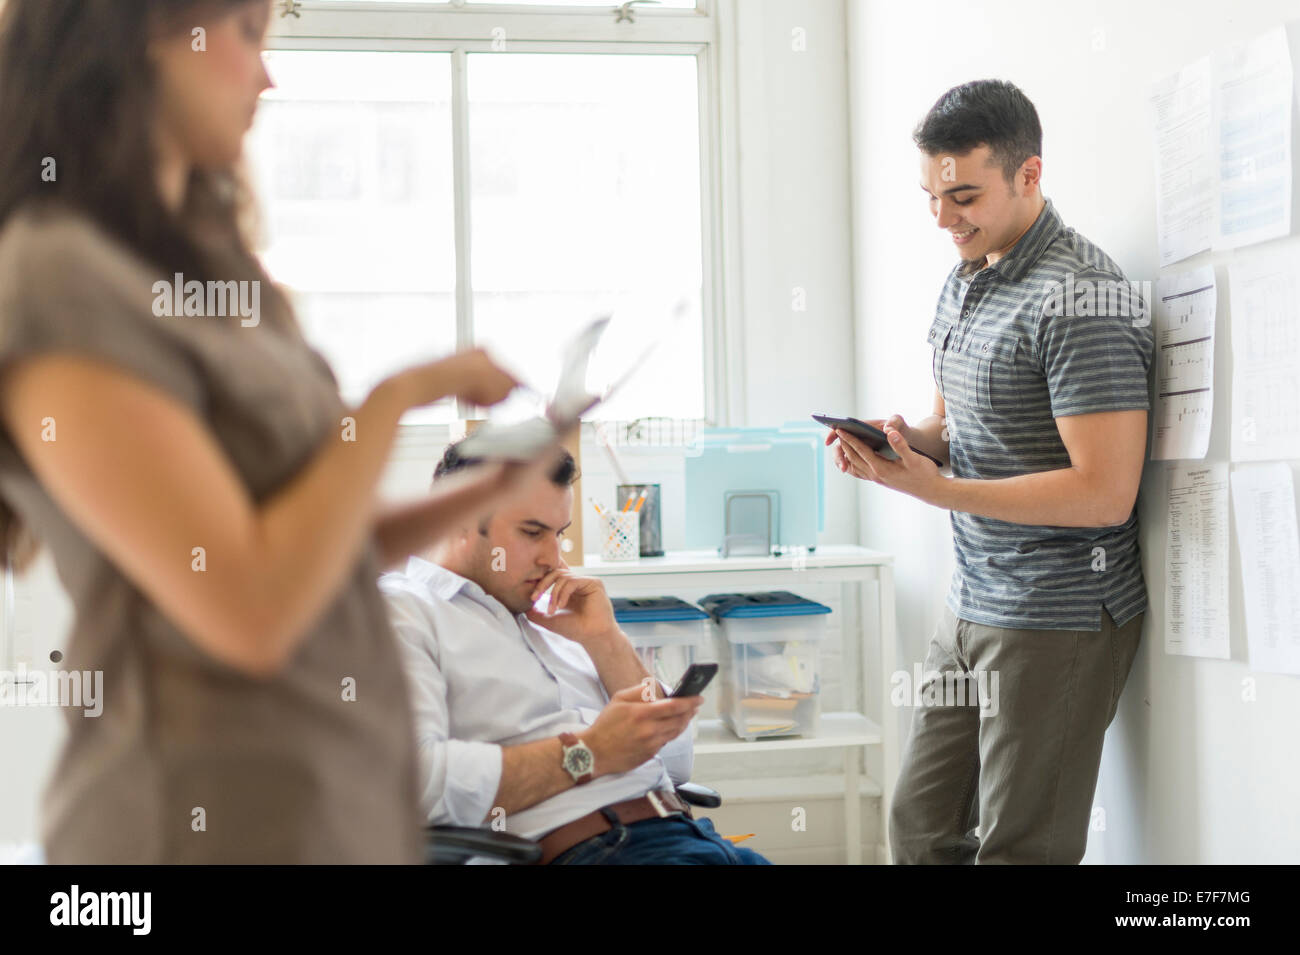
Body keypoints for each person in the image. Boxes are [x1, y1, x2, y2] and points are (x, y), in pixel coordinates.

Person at [0, 0, 554, 863]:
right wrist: (397, 397)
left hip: (322, 812)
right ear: (140, 34)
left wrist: (489, 490)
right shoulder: (57, 276)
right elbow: (249, 604)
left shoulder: (215, 271)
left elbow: (311, 553)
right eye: (249, 33)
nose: (268, 75)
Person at [827, 80, 1153, 864]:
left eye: (964, 195)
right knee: (920, 825)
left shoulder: (1085, 297)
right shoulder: (969, 273)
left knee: (1020, 849)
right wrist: (908, 445)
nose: (943, 217)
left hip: (1058, 613)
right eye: (932, 195)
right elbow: (957, 426)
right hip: (971, 596)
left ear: (1029, 175)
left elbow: (1105, 492)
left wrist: (937, 490)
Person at [380, 440, 772, 864]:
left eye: (560, 534)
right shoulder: (401, 611)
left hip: (690, 836)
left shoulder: (557, 616)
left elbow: (677, 764)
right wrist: (589, 752)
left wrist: (605, 640)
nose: (554, 557)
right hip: (593, 852)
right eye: (532, 533)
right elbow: (416, 780)